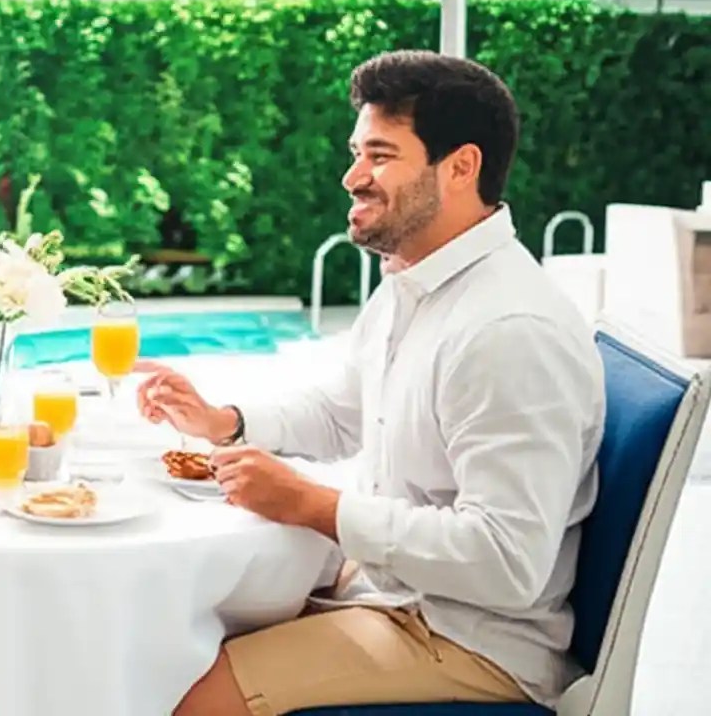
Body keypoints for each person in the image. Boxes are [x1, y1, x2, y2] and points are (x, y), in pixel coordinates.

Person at [140, 51, 605, 715]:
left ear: (461, 167)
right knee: (171, 639)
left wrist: (315, 506)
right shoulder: (414, 280)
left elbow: (507, 559)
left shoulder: (509, 330)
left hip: (471, 640)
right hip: (398, 596)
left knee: (187, 697)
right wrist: (225, 422)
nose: (352, 176)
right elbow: (343, 411)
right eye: (357, 153)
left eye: (381, 156)